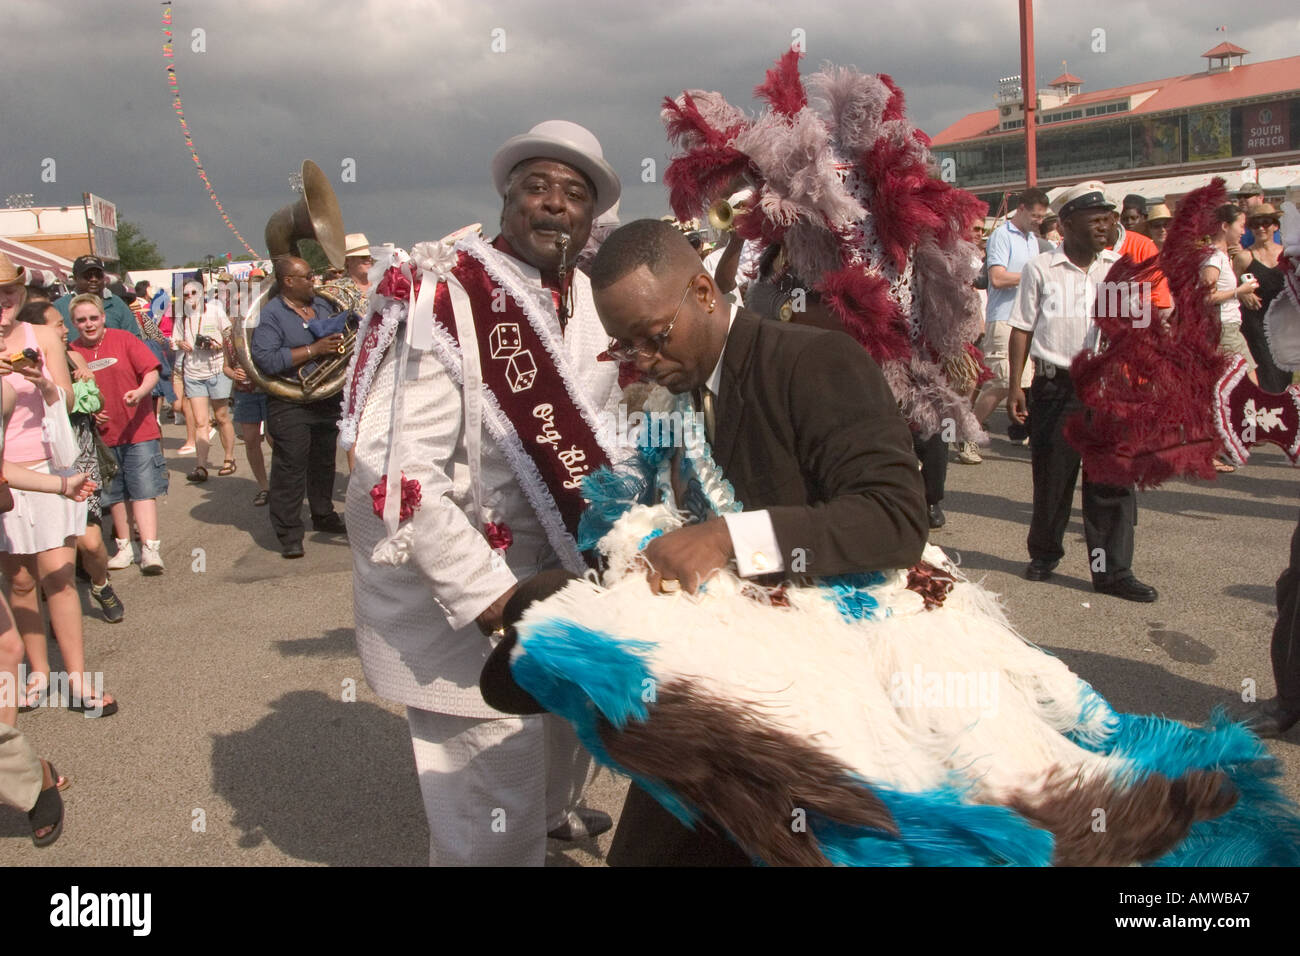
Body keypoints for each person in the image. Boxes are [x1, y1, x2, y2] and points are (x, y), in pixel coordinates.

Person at [554, 218, 925, 864]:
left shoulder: (813, 360)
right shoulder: (672, 398)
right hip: (718, 704)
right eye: (626, 347)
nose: (643, 360)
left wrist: (729, 538)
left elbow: (893, 517)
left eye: (654, 337)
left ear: (704, 293)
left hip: (821, 706)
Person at [340, 119, 626, 865]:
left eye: (575, 194)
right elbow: (394, 465)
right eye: (537, 187)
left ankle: (555, 812)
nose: (556, 204)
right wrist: (487, 595)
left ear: (592, 218)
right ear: (505, 201)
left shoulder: (597, 300)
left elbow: (614, 434)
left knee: (567, 734)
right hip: (469, 593)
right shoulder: (450, 295)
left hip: (570, 580)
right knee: (489, 801)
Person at [1008, 181, 1157, 603]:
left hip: (1108, 387)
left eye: (1109, 218)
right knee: (1053, 475)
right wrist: (1017, 385)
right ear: (1068, 223)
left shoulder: (1117, 269)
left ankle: (1112, 572)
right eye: (1096, 219)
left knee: (1110, 480)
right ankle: (1045, 553)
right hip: (1056, 387)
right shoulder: (1041, 269)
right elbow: (1022, 327)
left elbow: (1137, 324)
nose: (1105, 225)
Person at [1, 284, 119, 717]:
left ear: (18, 292)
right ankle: (36, 673)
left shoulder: (42, 336)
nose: (2, 302)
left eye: (7, 292)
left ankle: (77, 679)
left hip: (50, 469)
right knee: (19, 581)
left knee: (59, 576)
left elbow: (68, 399)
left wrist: (44, 382)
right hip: (4, 477)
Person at [15, 302, 122, 623]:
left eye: (63, 324)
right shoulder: (14, 364)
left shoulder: (74, 356)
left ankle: (101, 584)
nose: (65, 330)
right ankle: (55, 605)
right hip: (35, 460)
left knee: (90, 544)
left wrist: (85, 382)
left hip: (80, 456)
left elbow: (96, 403)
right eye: (59, 324)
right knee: (38, 551)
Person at [249, 257, 349, 558]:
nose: (313, 281)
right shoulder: (272, 315)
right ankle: (289, 532)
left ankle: (322, 512)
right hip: (290, 401)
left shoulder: (322, 305)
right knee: (290, 466)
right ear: (288, 281)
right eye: (306, 277)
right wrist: (313, 350)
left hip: (325, 396)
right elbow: (265, 359)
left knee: (323, 461)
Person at [67, 294, 166, 576]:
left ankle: (150, 549)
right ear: (74, 323)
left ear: (103, 317)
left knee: (144, 488)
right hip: (101, 435)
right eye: (81, 320)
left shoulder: (124, 339)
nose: (88, 324)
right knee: (114, 493)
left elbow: (151, 372)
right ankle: (124, 548)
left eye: (93, 318)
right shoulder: (72, 352)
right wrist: (88, 411)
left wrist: (140, 392)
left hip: (138, 428)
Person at [969, 188, 1051, 456]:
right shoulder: (1003, 235)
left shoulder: (1031, 239)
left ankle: (1021, 431)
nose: (1039, 221)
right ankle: (967, 433)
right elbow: (997, 278)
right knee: (1001, 382)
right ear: (1022, 209)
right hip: (1003, 318)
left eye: (1042, 217)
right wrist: (1033, 276)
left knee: (1020, 382)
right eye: (1035, 216)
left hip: (1026, 320)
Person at [1203, 202, 1260, 472]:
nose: (1243, 231)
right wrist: (1239, 291)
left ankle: (1222, 444)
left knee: (1236, 389)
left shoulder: (1224, 255)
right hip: (1224, 329)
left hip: (1231, 328)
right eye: (1240, 225)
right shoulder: (1213, 257)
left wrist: (1242, 292)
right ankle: (1218, 447)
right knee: (1240, 388)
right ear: (1225, 227)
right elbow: (1206, 295)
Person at [171, 277, 236, 482]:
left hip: (216, 369)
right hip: (193, 372)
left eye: (194, 293)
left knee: (222, 416)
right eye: (186, 295)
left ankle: (229, 458)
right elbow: (174, 340)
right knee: (200, 422)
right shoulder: (182, 317)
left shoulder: (215, 311)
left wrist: (217, 344)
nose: (190, 298)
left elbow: (229, 335)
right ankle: (201, 465)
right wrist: (181, 343)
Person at [1238, 203, 1289, 394]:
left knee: (1284, 377)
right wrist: (1244, 292)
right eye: (1255, 224)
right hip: (1256, 325)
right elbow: (1231, 286)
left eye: (1266, 223)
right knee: (1266, 376)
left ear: (1275, 226)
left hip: (1283, 326)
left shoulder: (1288, 255)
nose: (1260, 228)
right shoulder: (1245, 257)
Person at [53, 256, 142, 343]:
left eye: (98, 275)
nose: (94, 279)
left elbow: (134, 338)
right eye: (88, 276)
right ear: (76, 278)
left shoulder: (116, 303)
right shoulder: (60, 307)